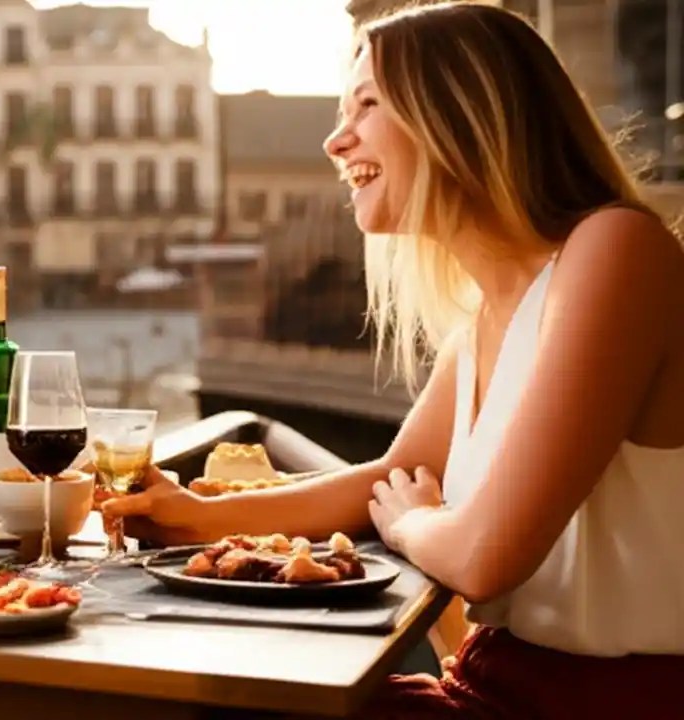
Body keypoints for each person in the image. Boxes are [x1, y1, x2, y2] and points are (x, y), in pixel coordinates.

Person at [105, 4, 684, 717]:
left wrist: (412, 524)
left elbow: (480, 557)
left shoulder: (618, 250)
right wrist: (194, 517)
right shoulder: (484, 319)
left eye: (368, 105)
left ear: (461, 113)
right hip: (490, 688)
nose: (334, 141)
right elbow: (390, 477)